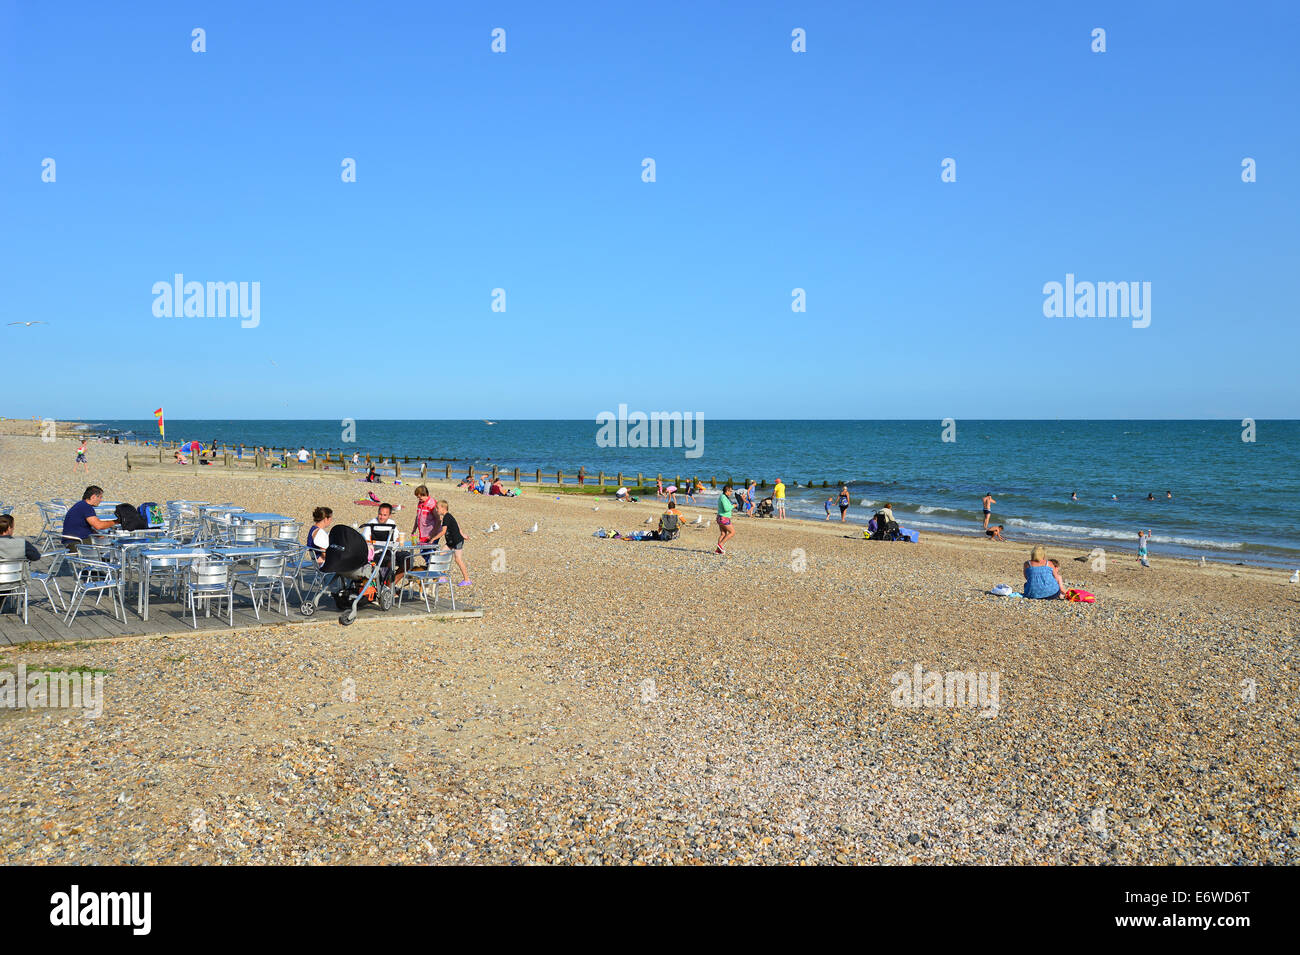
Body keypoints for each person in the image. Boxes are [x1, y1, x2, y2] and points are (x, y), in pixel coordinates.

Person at [60, 486, 119, 550]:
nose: (101, 500)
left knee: (105, 542)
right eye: (100, 497)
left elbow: (83, 526)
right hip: (77, 543)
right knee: (111, 546)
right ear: (93, 497)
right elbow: (98, 526)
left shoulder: (81, 504)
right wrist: (116, 522)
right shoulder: (86, 508)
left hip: (71, 540)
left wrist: (97, 534)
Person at [361, 503, 406, 586]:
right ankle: (386, 587)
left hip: (390, 551)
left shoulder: (392, 523)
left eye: (385, 515)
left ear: (389, 515)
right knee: (390, 561)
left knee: (407, 558)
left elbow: (397, 538)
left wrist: (399, 540)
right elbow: (365, 540)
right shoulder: (371, 524)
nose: (381, 517)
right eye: (380, 514)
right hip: (377, 553)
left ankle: (390, 585)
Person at [431, 500, 471, 586]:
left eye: (437, 508)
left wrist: (433, 539)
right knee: (441, 554)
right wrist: (463, 533)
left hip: (457, 541)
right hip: (450, 542)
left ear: (443, 508)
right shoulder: (447, 517)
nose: (436, 510)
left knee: (458, 559)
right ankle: (442, 577)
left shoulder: (447, 517)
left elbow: (443, 532)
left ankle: (467, 579)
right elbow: (457, 525)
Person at [716, 483, 736, 554]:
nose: (731, 492)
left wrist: (732, 505)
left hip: (720, 517)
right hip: (724, 518)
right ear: (726, 491)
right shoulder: (723, 497)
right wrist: (733, 506)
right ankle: (720, 545)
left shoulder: (723, 496)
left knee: (723, 534)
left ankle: (718, 550)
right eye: (730, 491)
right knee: (732, 532)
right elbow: (726, 508)